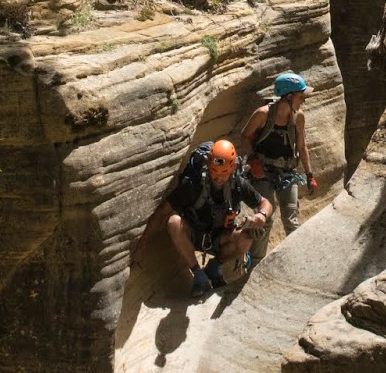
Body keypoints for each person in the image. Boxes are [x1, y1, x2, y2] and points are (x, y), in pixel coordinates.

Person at [132, 138, 272, 298]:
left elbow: (264, 202)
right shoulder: (194, 183)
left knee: (246, 238)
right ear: (208, 164)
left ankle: (214, 267)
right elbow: (162, 211)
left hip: (220, 237)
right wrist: (141, 247)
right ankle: (198, 275)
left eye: (223, 174)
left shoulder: (238, 184)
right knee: (174, 222)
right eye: (214, 172)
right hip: (193, 235)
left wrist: (261, 214)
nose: (218, 178)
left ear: (232, 168)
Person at [238, 72, 316, 253]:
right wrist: (253, 159)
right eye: (300, 96)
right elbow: (245, 136)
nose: (303, 100)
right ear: (288, 97)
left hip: (287, 172)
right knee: (266, 219)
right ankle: (256, 265)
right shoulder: (263, 114)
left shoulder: (299, 117)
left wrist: (310, 174)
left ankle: (295, 259)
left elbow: (302, 146)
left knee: (291, 219)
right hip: (263, 172)